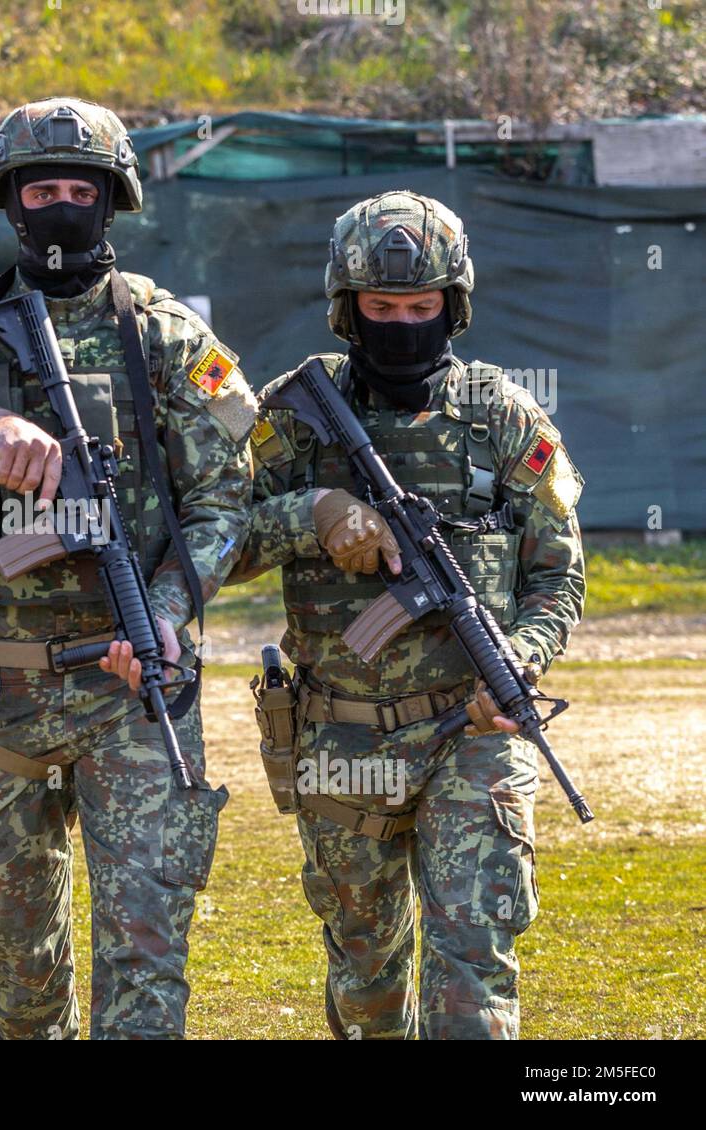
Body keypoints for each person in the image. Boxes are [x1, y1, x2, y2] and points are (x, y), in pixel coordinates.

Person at [0, 98, 254, 1039]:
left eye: (81, 189)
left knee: (146, 948)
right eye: (42, 188)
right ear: (8, 202)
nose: (62, 206)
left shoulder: (168, 336)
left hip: (138, 683)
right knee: (24, 957)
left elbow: (228, 498)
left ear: (112, 202)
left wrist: (168, 615)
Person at [233, 189, 585, 1039]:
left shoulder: (500, 415)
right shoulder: (292, 415)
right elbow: (217, 545)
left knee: (474, 968)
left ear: (452, 305)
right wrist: (312, 512)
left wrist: (522, 665)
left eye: (419, 307)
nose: (400, 324)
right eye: (380, 308)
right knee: (365, 972)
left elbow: (557, 578)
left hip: (471, 734)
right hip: (340, 737)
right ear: (346, 308)